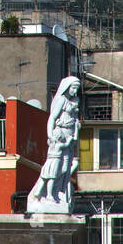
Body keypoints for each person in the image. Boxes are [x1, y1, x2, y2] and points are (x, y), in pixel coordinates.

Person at [28, 76, 81, 211]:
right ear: (67, 87)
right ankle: (48, 194)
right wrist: (51, 135)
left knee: (66, 168)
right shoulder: (61, 100)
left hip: (71, 136)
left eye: (77, 88)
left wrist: (76, 128)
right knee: (58, 167)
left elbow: (74, 118)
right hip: (61, 135)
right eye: (73, 88)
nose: (75, 91)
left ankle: (59, 192)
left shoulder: (75, 100)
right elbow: (52, 117)